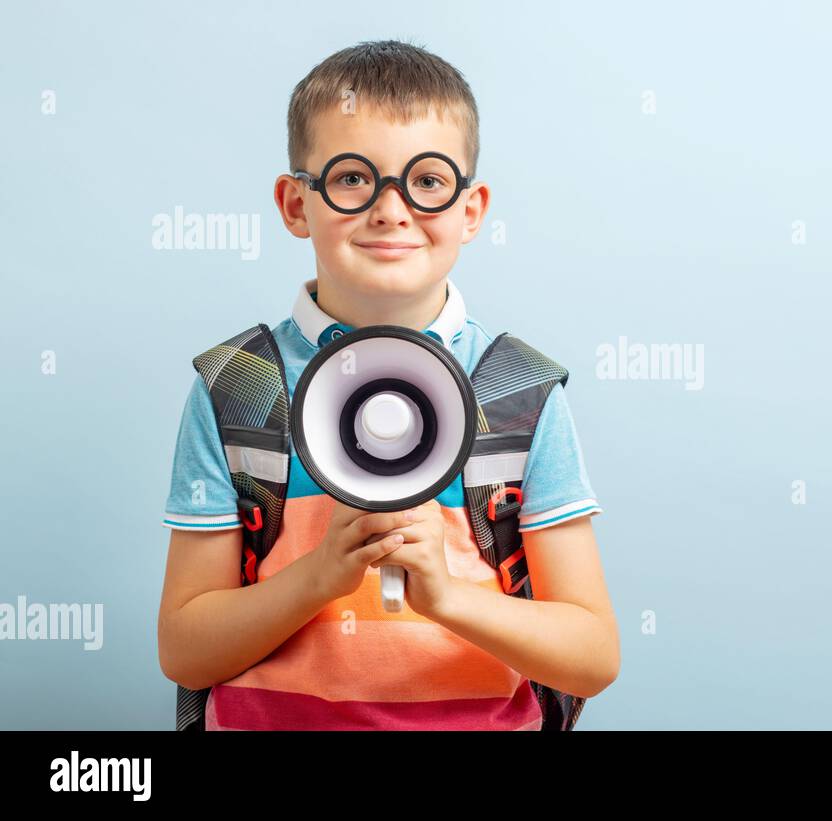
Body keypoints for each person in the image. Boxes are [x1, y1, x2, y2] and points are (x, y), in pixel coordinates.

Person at [156, 40, 618, 730]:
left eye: (428, 181)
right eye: (351, 179)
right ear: (293, 203)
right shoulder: (240, 387)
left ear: (471, 208)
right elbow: (186, 649)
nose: (391, 210)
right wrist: (315, 580)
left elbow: (592, 655)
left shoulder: (519, 390)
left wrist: (449, 596)